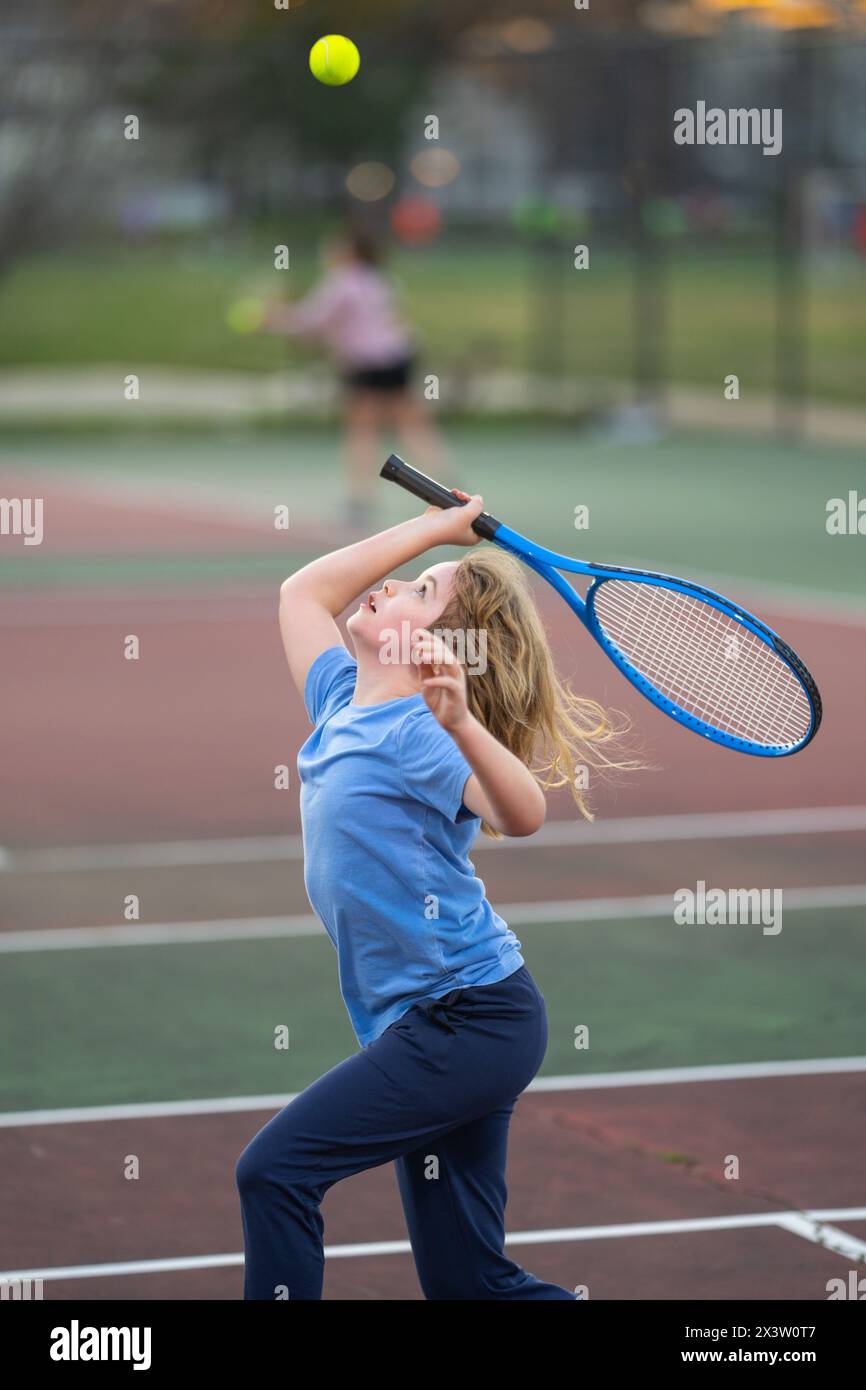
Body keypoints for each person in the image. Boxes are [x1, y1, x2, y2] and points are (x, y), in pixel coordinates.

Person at [235, 489, 636, 1300]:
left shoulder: (424, 731)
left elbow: (522, 814)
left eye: (422, 590)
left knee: (273, 1173)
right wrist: (435, 530)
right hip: (435, 1023)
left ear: (443, 646)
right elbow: (303, 592)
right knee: (469, 1287)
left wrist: (460, 720)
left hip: (470, 1020)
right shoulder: (340, 699)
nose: (391, 586)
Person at [261, 226, 448, 528]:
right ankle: (446, 486)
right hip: (399, 357)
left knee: (362, 428)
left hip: (368, 364)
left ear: (350, 251)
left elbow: (310, 320)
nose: (331, 251)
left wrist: (273, 318)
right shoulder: (382, 280)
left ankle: (361, 499)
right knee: (410, 420)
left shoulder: (342, 282)